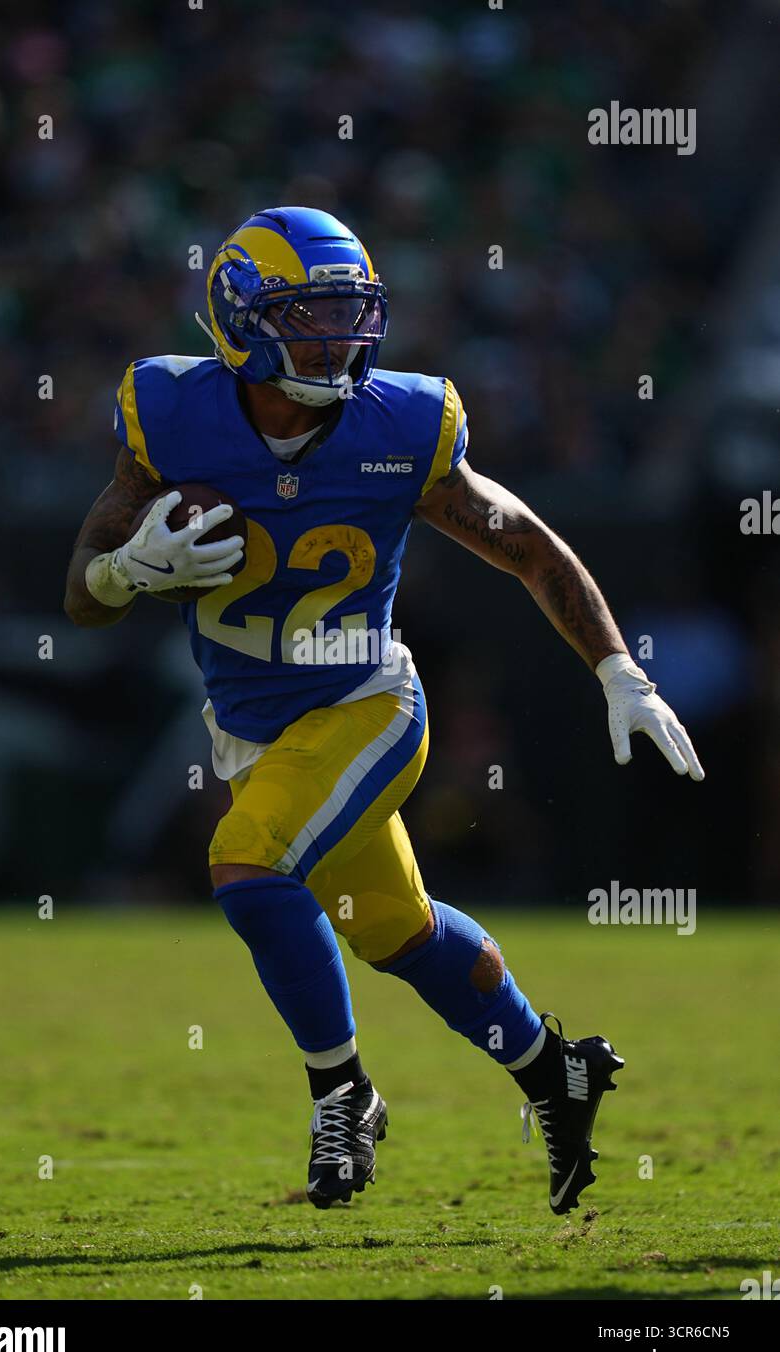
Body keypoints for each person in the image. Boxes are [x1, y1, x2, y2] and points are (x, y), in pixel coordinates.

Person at [64, 207, 704, 1214]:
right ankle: (553, 1072)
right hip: (251, 725)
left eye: (349, 310)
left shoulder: (400, 424)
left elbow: (527, 545)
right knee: (391, 930)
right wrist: (125, 566)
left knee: (245, 861)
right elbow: (78, 600)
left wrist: (618, 670)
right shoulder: (167, 412)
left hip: (365, 703)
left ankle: (341, 1092)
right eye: (308, 312)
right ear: (238, 321)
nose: (337, 335)